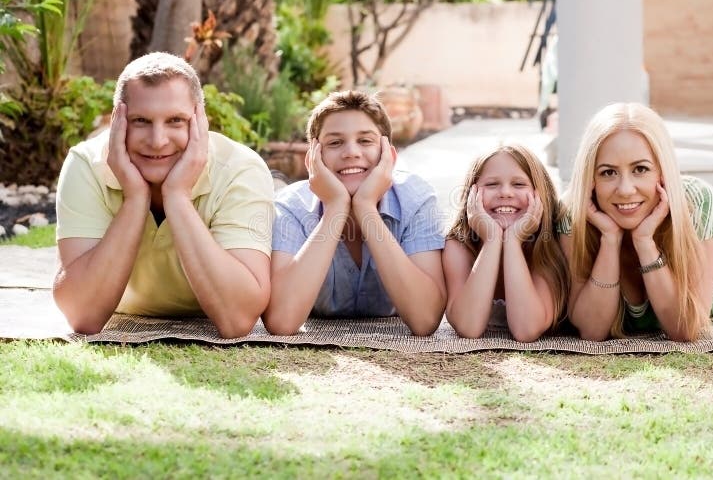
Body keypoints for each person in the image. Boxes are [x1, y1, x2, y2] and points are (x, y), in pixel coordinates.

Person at [54, 52, 274, 338]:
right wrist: (135, 199)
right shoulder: (87, 164)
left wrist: (178, 197)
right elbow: (83, 315)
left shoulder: (240, 169)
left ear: (200, 120)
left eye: (175, 121)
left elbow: (237, 319)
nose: (158, 141)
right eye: (141, 121)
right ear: (117, 121)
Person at [558, 102, 713, 342]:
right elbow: (592, 330)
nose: (625, 190)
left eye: (640, 169)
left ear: (663, 171)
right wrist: (610, 240)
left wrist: (644, 242)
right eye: (608, 172)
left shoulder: (697, 201)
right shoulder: (573, 213)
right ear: (590, 177)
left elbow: (685, 329)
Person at [264, 90, 446, 336]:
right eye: (335, 142)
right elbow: (282, 322)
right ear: (313, 160)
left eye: (365, 141)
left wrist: (366, 208)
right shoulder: (290, 207)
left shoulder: (416, 200)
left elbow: (425, 320)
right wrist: (336, 208)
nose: (351, 152)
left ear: (388, 156)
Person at [443, 145, 569, 342]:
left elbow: (526, 330)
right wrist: (492, 240)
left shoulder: (549, 244)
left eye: (519, 184)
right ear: (472, 194)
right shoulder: (459, 246)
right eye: (492, 184)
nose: (505, 193)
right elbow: (468, 326)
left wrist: (512, 241)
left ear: (540, 193)